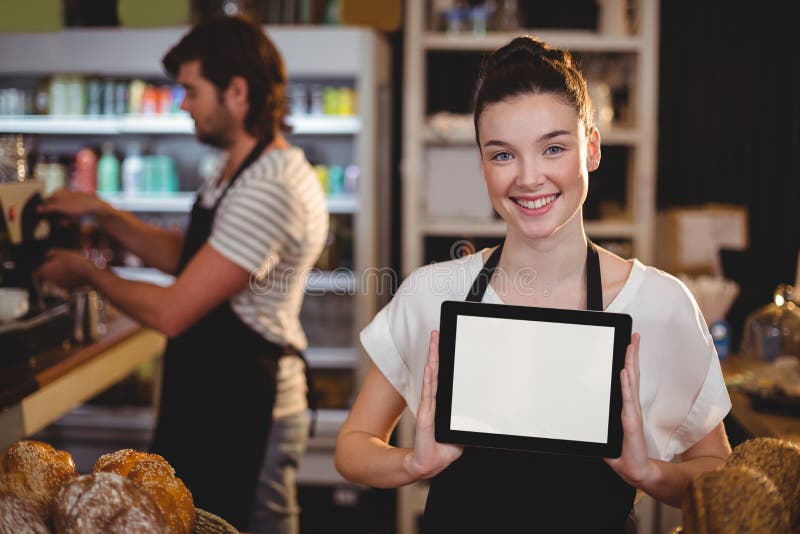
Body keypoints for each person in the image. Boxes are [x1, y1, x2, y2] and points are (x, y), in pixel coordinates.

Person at [334, 36, 732, 532]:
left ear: (591, 148)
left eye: (553, 148)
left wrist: (649, 474)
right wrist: (414, 463)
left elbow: (718, 474)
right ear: (481, 163)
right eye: (502, 155)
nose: (528, 177)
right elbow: (353, 447)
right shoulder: (434, 293)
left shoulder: (660, 303)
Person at [36, 16, 328, 531]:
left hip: (250, 409)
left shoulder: (271, 185)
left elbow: (174, 312)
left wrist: (89, 274)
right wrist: (102, 212)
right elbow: (190, 256)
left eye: (192, 91)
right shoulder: (237, 168)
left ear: (237, 92)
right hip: (219, 395)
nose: (184, 104)